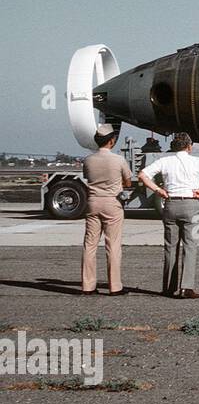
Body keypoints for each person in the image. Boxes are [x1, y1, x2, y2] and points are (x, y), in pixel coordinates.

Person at [138, 132, 199, 297]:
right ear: (189, 146)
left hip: (170, 204)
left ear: (173, 146)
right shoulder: (197, 161)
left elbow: (142, 175)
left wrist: (158, 190)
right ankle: (186, 287)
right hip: (191, 205)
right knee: (190, 246)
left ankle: (169, 287)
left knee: (170, 247)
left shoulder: (165, 161)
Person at [80, 124, 133, 295]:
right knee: (113, 244)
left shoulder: (88, 160)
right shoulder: (118, 160)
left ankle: (88, 286)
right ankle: (115, 286)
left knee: (90, 244)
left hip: (93, 201)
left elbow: (88, 177)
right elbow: (128, 182)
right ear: (112, 141)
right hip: (112, 202)